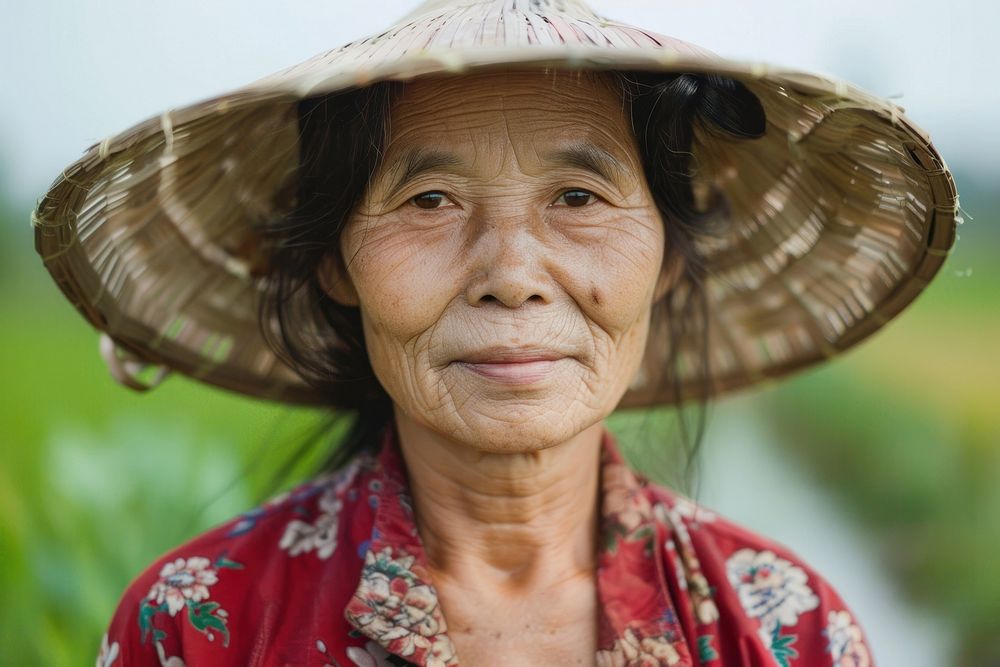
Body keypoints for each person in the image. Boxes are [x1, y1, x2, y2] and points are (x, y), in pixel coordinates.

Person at [34, 1, 958, 666]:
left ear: (668, 256)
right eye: (429, 200)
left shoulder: (785, 630)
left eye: (579, 198)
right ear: (335, 261)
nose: (513, 275)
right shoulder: (201, 629)